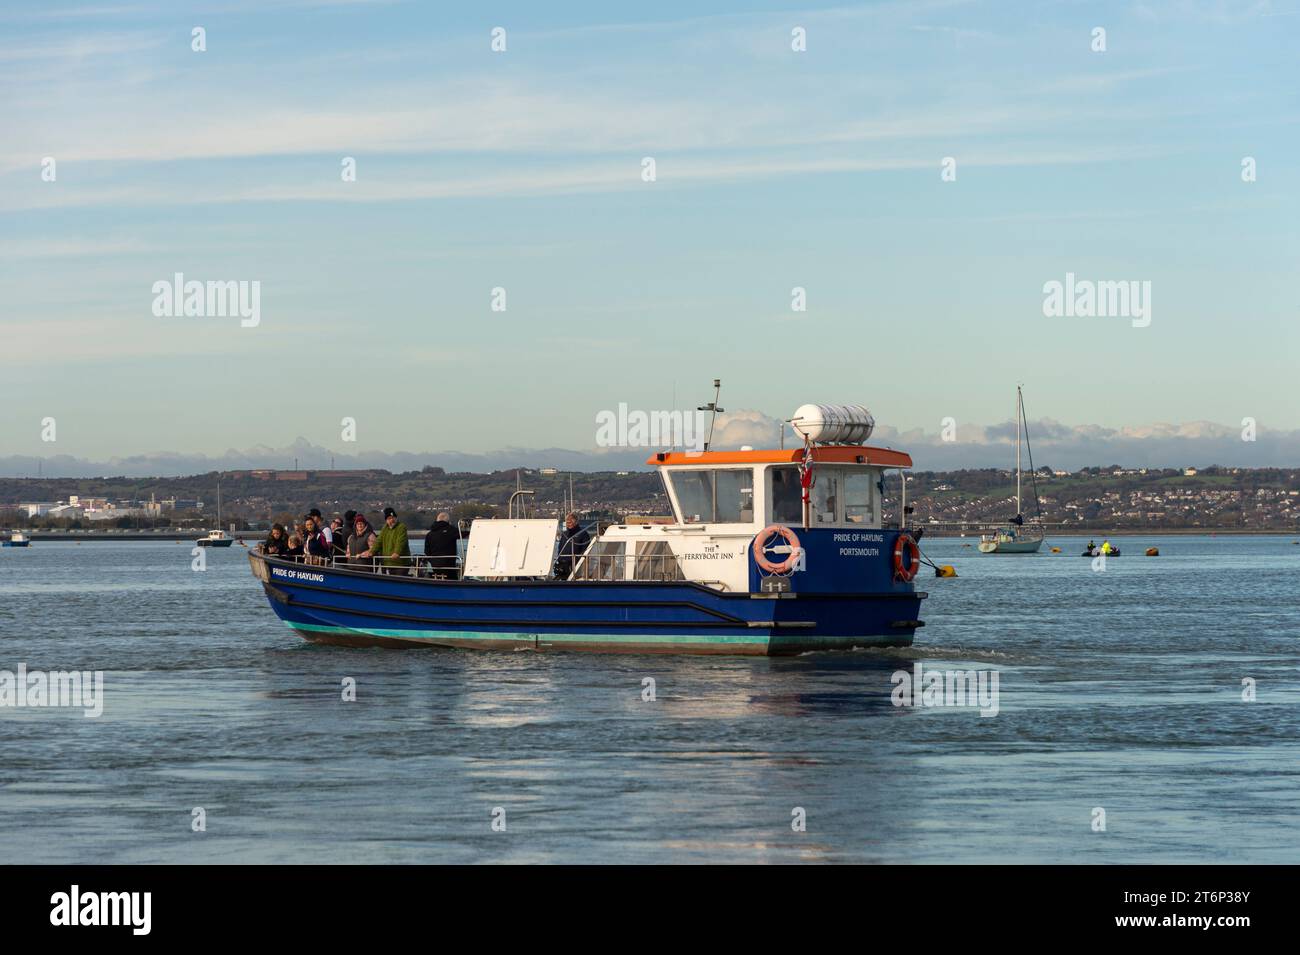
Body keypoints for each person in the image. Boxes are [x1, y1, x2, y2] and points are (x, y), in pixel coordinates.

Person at [366, 507, 409, 573]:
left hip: (401, 563)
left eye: (393, 518)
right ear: (386, 520)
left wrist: (397, 552)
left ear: (396, 518)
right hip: (389, 563)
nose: (392, 520)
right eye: (389, 518)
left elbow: (401, 541)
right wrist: (372, 551)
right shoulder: (384, 528)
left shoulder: (401, 527)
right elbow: (379, 541)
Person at [422, 511, 461, 579]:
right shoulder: (451, 530)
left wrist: (433, 561)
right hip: (449, 566)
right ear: (448, 521)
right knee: (453, 580)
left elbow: (426, 551)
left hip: (435, 566)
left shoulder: (429, 534)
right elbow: (462, 534)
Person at [556, 512, 591, 579]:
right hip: (562, 564)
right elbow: (560, 548)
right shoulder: (565, 534)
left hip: (575, 565)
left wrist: (577, 562)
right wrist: (559, 559)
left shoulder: (583, 534)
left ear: (576, 522)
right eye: (567, 522)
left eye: (570, 522)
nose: (568, 524)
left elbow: (585, 550)